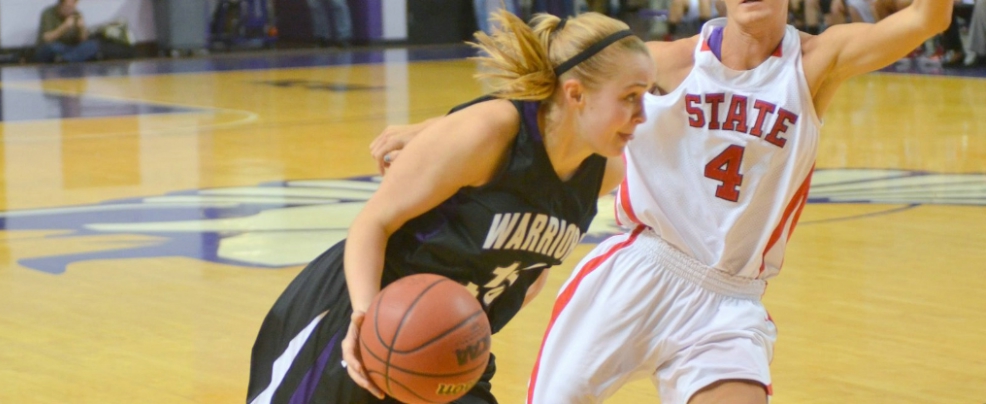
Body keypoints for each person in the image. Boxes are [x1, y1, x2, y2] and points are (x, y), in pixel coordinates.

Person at [372, 0, 952, 403]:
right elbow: (545, 103)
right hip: (641, 267)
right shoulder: (667, 62)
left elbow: (929, 18)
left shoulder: (817, 62)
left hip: (730, 300)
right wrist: (432, 129)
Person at [247, 10, 654, 404]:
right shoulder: (488, 134)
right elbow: (372, 223)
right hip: (358, 315)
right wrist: (368, 320)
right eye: (630, 97)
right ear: (576, 94)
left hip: (444, 347)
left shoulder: (605, 172)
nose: (643, 114)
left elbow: (531, 266)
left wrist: (467, 324)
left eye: (647, 96)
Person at [34, 0, 100, 63]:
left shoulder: (77, 14)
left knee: (92, 45)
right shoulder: (48, 13)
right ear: (60, 5)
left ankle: (64, 59)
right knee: (52, 48)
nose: (70, 10)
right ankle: (69, 58)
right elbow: (46, 38)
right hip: (55, 47)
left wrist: (81, 29)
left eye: (72, 7)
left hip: (70, 48)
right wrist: (64, 27)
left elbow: (83, 40)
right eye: (67, 7)